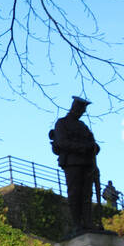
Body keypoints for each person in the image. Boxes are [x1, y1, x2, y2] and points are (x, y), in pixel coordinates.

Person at [49, 96, 101, 234]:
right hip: (72, 163)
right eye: (81, 109)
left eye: (83, 110)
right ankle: (77, 224)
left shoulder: (83, 126)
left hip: (87, 163)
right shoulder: (62, 123)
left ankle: (88, 223)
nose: (82, 112)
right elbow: (62, 142)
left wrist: (94, 147)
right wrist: (83, 147)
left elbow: (94, 143)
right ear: (74, 107)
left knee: (87, 194)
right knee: (74, 193)